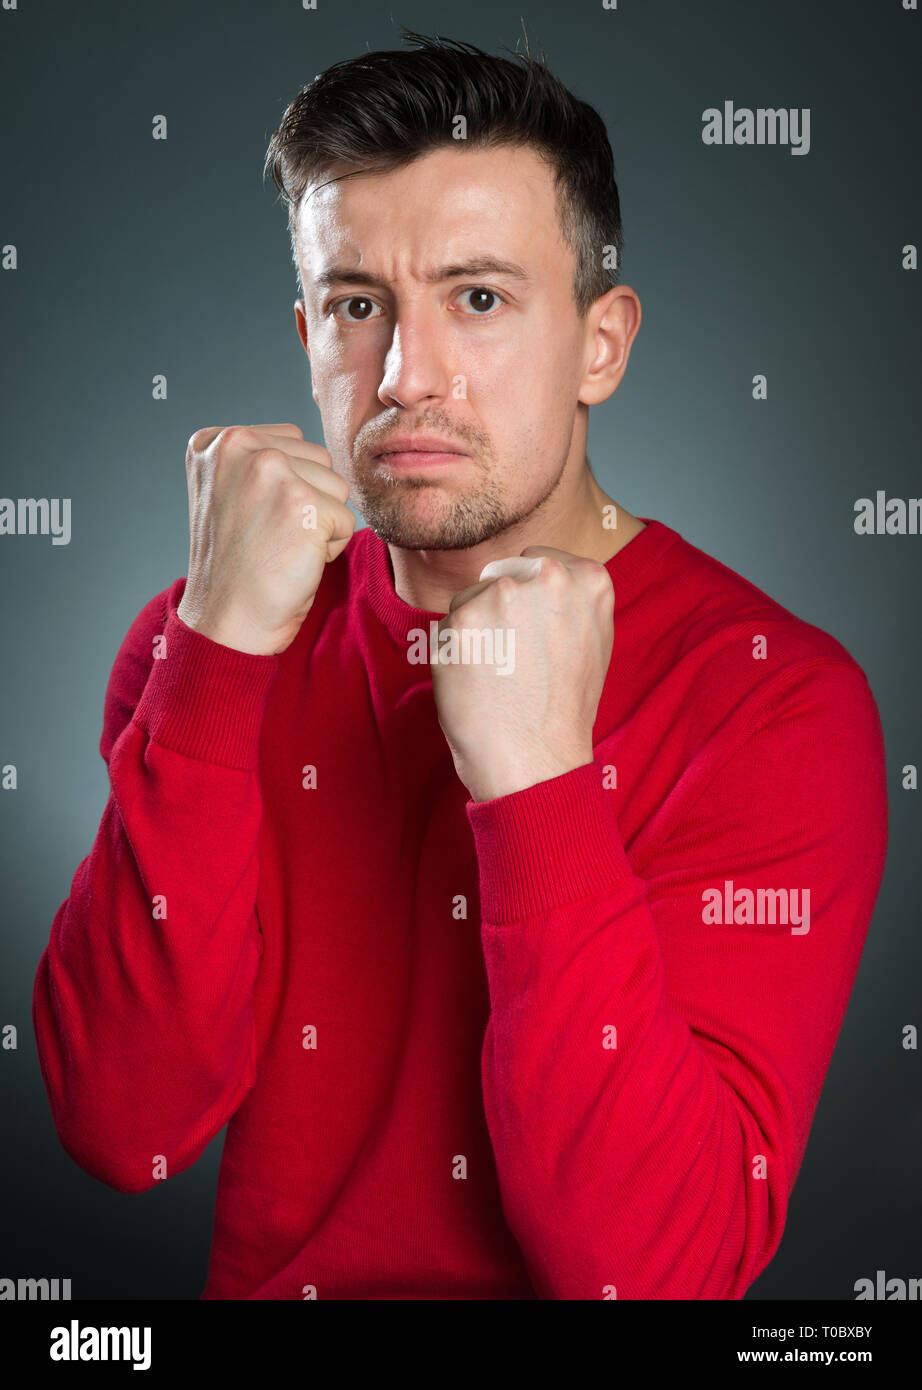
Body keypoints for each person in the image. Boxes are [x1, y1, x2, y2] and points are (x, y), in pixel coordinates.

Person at [32, 30, 888, 1300]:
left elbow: (652, 1278)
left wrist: (538, 788)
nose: (403, 376)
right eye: (357, 304)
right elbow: (122, 1127)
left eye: (478, 298)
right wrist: (214, 656)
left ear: (601, 343)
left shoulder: (774, 702)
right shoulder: (199, 639)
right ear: (308, 327)